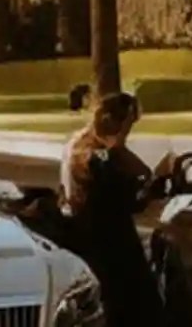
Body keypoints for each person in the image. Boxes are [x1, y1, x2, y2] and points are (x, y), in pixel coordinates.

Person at [61, 92, 175, 326]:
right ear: (115, 123)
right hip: (112, 246)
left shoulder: (84, 146)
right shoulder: (99, 157)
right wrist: (157, 180)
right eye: (127, 126)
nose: (128, 133)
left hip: (93, 242)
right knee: (138, 308)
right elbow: (130, 199)